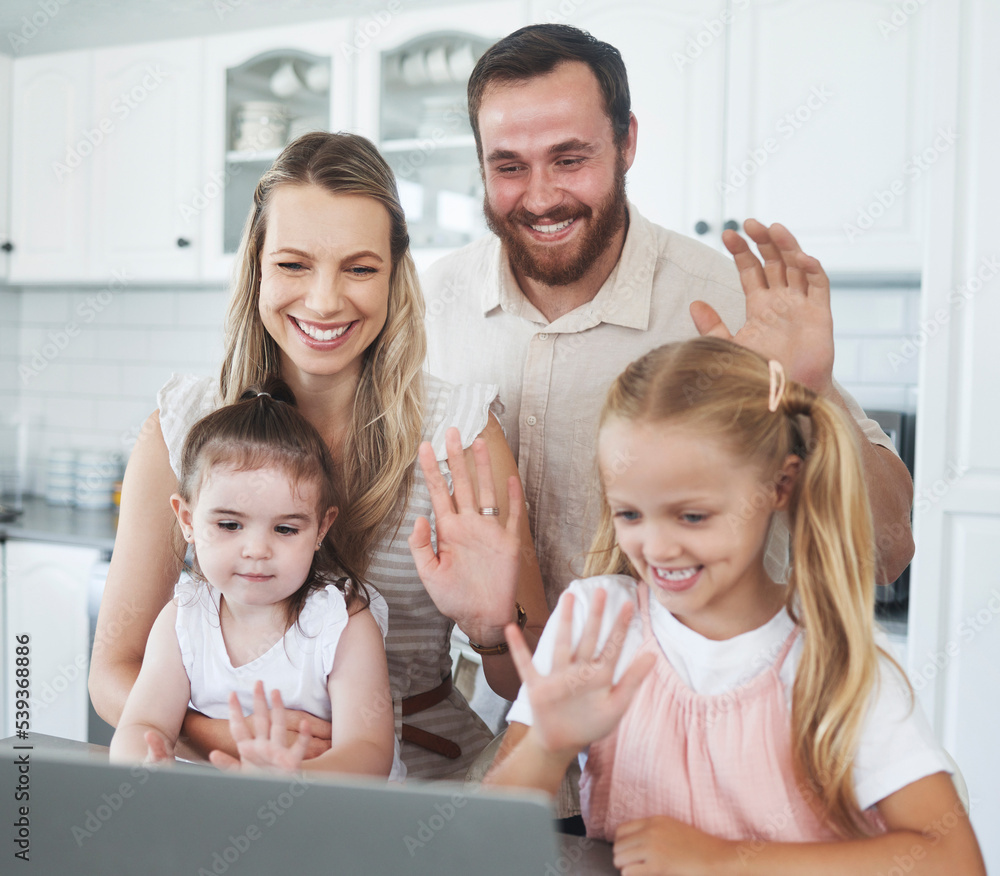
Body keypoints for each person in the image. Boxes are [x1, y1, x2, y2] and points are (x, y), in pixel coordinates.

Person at [91, 132, 550, 780]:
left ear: (395, 278)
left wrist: (487, 624)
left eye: (360, 268)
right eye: (293, 264)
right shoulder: (182, 428)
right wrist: (244, 742)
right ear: (257, 266)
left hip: (422, 781)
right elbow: (114, 671)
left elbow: (526, 685)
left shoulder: (461, 435)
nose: (326, 300)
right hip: (224, 781)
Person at [422, 23, 915, 610]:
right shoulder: (430, 306)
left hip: (701, 689)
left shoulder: (728, 307)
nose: (541, 196)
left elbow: (886, 553)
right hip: (502, 688)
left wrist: (811, 397)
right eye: (508, 167)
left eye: (569, 158)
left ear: (626, 142)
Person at [484, 337, 985, 874]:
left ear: (781, 485)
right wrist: (551, 744)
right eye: (630, 514)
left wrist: (723, 861)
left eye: (693, 517)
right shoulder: (598, 618)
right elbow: (489, 834)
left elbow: (952, 858)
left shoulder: (834, 659)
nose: (657, 547)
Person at [109, 380, 402, 780]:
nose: (256, 550)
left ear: (321, 528)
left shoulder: (344, 622)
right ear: (188, 520)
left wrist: (291, 778)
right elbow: (140, 725)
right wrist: (143, 760)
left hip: (322, 821)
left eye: (285, 529)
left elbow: (369, 753)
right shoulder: (183, 620)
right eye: (230, 524)